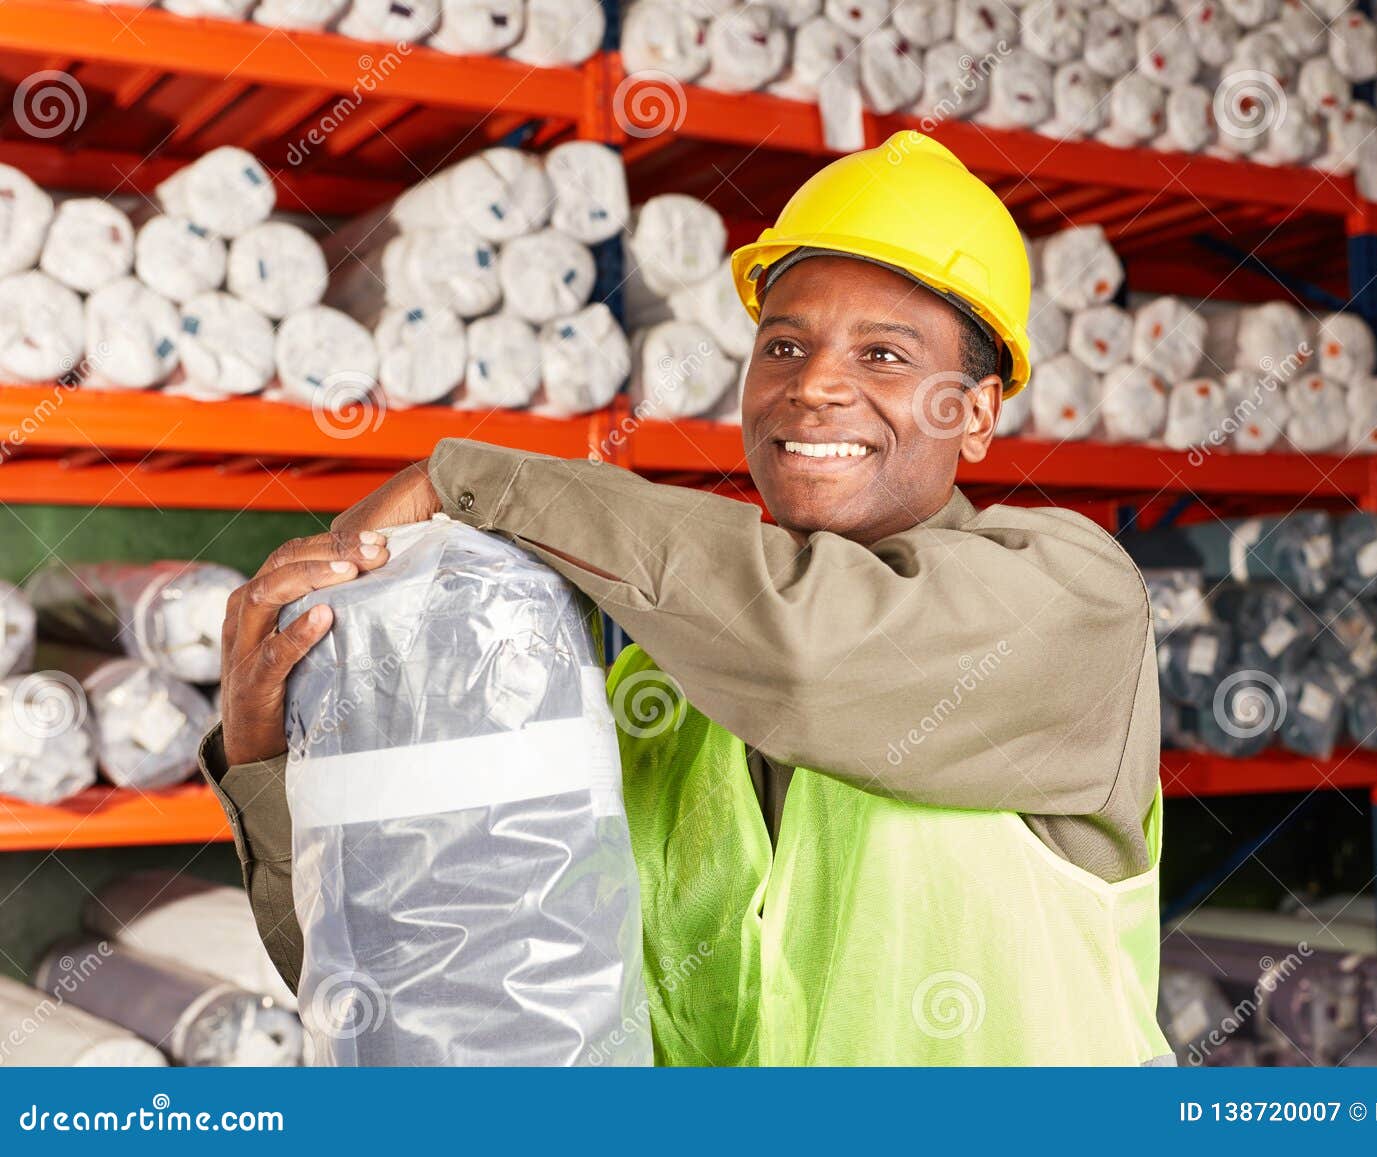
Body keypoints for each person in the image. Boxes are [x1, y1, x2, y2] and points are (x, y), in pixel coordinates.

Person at [204, 131, 1171, 1066]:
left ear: (976, 412)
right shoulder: (651, 706)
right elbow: (437, 980)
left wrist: (475, 480)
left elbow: (807, 656)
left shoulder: (1073, 601)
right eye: (784, 348)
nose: (817, 385)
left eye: (885, 355)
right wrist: (261, 754)